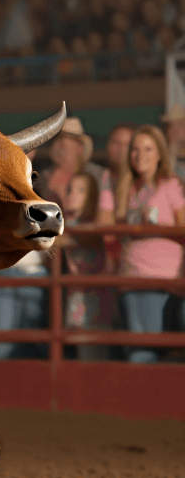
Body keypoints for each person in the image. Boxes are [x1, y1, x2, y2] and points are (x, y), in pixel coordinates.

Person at [97, 124, 185, 362]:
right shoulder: (126, 188)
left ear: (159, 154)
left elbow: (183, 228)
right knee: (136, 353)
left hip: (160, 281)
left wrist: (157, 227)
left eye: (148, 149)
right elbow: (109, 231)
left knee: (145, 354)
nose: (140, 155)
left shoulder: (171, 185)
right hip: (129, 281)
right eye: (135, 149)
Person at [58, 171, 111, 360]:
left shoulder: (94, 223)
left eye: (81, 190)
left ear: (92, 196)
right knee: (81, 349)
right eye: (70, 189)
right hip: (76, 295)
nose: (72, 194)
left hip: (96, 297)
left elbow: (91, 238)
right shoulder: (65, 222)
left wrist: (67, 238)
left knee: (95, 353)